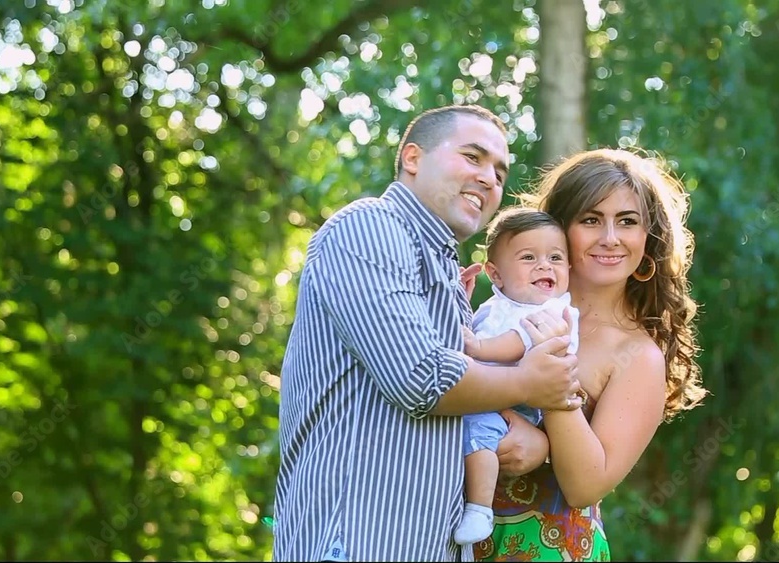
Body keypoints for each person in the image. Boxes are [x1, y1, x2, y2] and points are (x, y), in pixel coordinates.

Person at [272, 104, 585, 562]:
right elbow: (420, 377)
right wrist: (528, 383)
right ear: (414, 159)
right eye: (473, 157)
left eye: (499, 172)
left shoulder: (447, 272)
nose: (489, 179)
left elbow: (469, 405)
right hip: (357, 542)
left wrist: (534, 439)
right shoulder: (370, 228)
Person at [468, 148, 708, 561]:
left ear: (647, 240)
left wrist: (552, 401)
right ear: (559, 228)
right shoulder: (505, 302)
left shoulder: (637, 355)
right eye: (591, 219)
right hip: (444, 537)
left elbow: (586, 485)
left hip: (548, 549)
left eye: (627, 222)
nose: (610, 237)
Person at [453, 207, 581, 546]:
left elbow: (517, 343)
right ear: (495, 275)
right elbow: (470, 338)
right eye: (529, 257)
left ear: (568, 268)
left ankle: (479, 508)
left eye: (556, 257)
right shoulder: (494, 308)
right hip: (483, 394)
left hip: (515, 409)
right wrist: (460, 309)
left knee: (478, 430)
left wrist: (478, 347)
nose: (544, 265)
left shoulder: (554, 310)